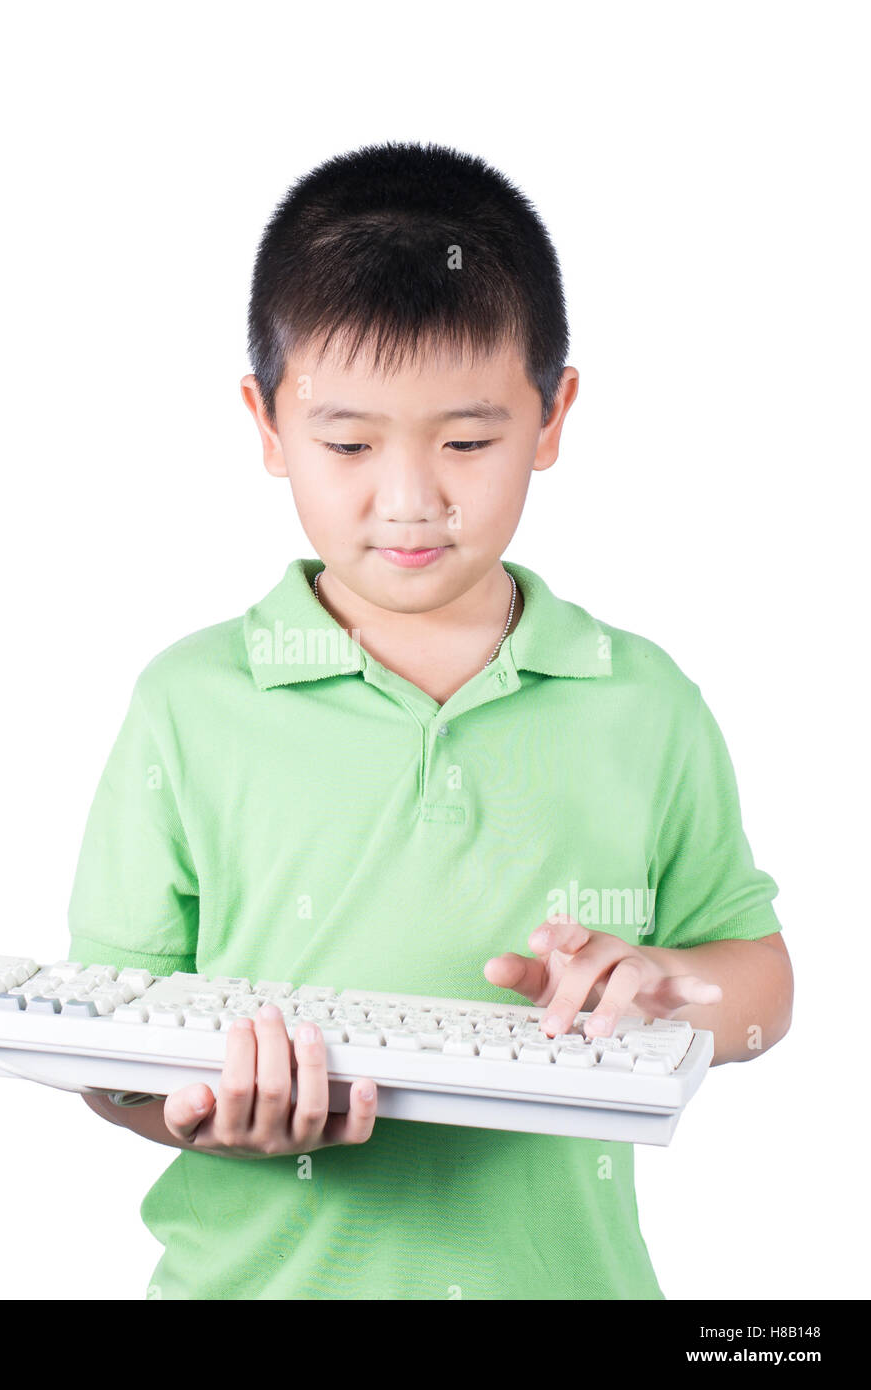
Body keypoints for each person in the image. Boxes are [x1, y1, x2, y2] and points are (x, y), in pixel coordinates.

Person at [67, 140, 793, 1300]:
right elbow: (102, 1046)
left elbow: (756, 982)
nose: (408, 498)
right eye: (348, 443)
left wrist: (662, 983)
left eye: (465, 441)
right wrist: (196, 1114)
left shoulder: (640, 702)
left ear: (552, 416)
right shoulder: (187, 706)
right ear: (265, 423)